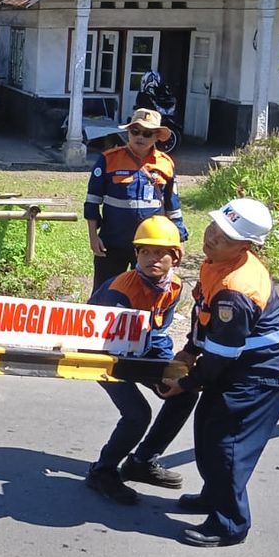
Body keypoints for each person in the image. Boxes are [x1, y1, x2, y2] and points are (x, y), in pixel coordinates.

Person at [158, 198, 279, 547]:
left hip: (260, 373)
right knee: (207, 430)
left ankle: (229, 524)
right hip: (238, 363)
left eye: (226, 236)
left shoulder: (237, 288)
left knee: (226, 445)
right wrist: (189, 348)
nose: (213, 237)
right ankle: (214, 497)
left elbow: (220, 356)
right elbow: (204, 313)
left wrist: (184, 382)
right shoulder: (217, 262)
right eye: (215, 227)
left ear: (245, 246)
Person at [84, 215, 197, 505]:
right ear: (136, 254)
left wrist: (166, 369)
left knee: (184, 392)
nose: (151, 259)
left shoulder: (174, 288)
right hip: (104, 353)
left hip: (141, 350)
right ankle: (103, 471)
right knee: (138, 414)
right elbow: (107, 343)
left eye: (160, 252)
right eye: (144, 251)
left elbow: (157, 330)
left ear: (175, 257)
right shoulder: (119, 290)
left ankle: (141, 461)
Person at [84, 108, 187, 291]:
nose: (140, 137)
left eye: (147, 133)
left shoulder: (165, 164)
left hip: (151, 246)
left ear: (156, 137)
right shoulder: (108, 160)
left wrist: (179, 242)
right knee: (105, 293)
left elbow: (174, 207)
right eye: (135, 131)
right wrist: (93, 236)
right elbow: (92, 201)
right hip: (113, 242)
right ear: (128, 132)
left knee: (147, 293)